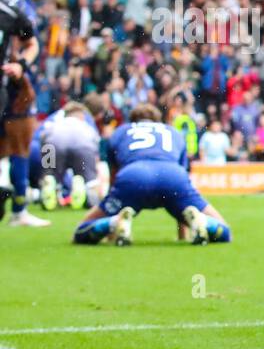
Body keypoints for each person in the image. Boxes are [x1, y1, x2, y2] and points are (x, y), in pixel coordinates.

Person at [74, 104, 231, 246]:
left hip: (134, 176)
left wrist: (110, 214)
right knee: (224, 229)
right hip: (173, 176)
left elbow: (115, 175)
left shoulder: (121, 131)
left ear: (132, 120)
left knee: (81, 231)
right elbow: (183, 175)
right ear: (158, 120)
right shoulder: (173, 132)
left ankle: (114, 223)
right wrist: (182, 233)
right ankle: (202, 222)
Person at [1, 0, 52, 227]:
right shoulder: (19, 6)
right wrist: (20, 70)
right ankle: (19, 210)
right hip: (13, 85)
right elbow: (11, 43)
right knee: (20, 143)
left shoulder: (24, 6)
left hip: (13, 81)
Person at [34, 102, 101, 210]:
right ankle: (89, 194)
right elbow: (95, 142)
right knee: (88, 176)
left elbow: (43, 136)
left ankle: (49, 183)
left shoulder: (56, 122)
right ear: (80, 115)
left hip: (53, 144)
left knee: (50, 173)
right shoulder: (85, 125)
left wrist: (46, 161)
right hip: (82, 146)